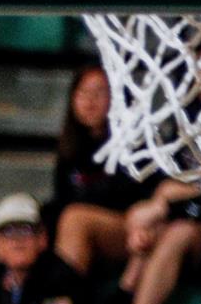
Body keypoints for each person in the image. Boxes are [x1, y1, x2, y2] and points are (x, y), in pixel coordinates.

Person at [46, 65, 138, 229]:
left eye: (99, 93)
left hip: (125, 226)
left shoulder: (133, 145)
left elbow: (128, 198)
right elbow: (62, 196)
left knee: (74, 219)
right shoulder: (69, 147)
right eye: (83, 93)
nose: (90, 101)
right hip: (77, 223)